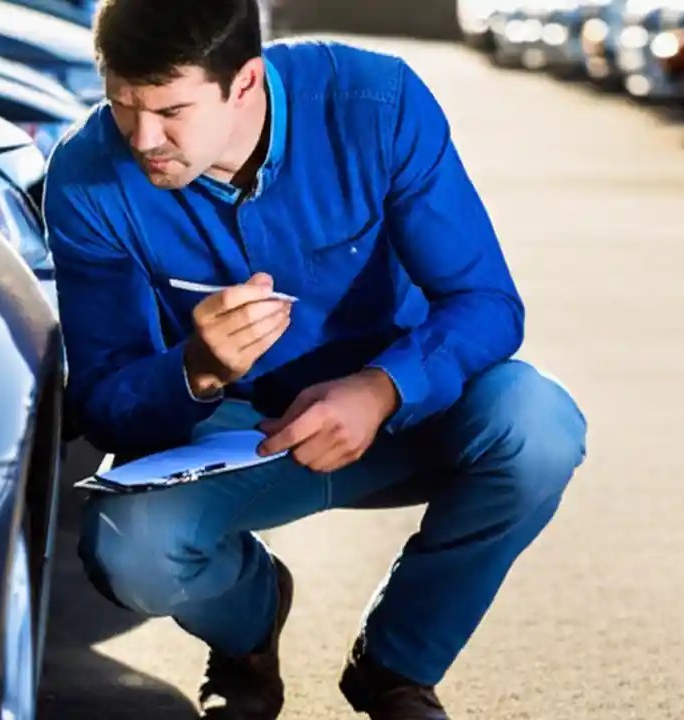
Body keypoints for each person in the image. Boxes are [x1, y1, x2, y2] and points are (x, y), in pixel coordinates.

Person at [41, 1, 588, 717]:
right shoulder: (86, 178)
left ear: (244, 81)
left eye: (171, 110)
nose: (143, 138)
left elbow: (486, 302)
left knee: (539, 425)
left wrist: (383, 387)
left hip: (406, 415)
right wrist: (195, 370)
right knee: (126, 547)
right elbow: (105, 402)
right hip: (237, 436)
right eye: (122, 105)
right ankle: (248, 632)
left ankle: (396, 667)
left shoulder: (377, 104)